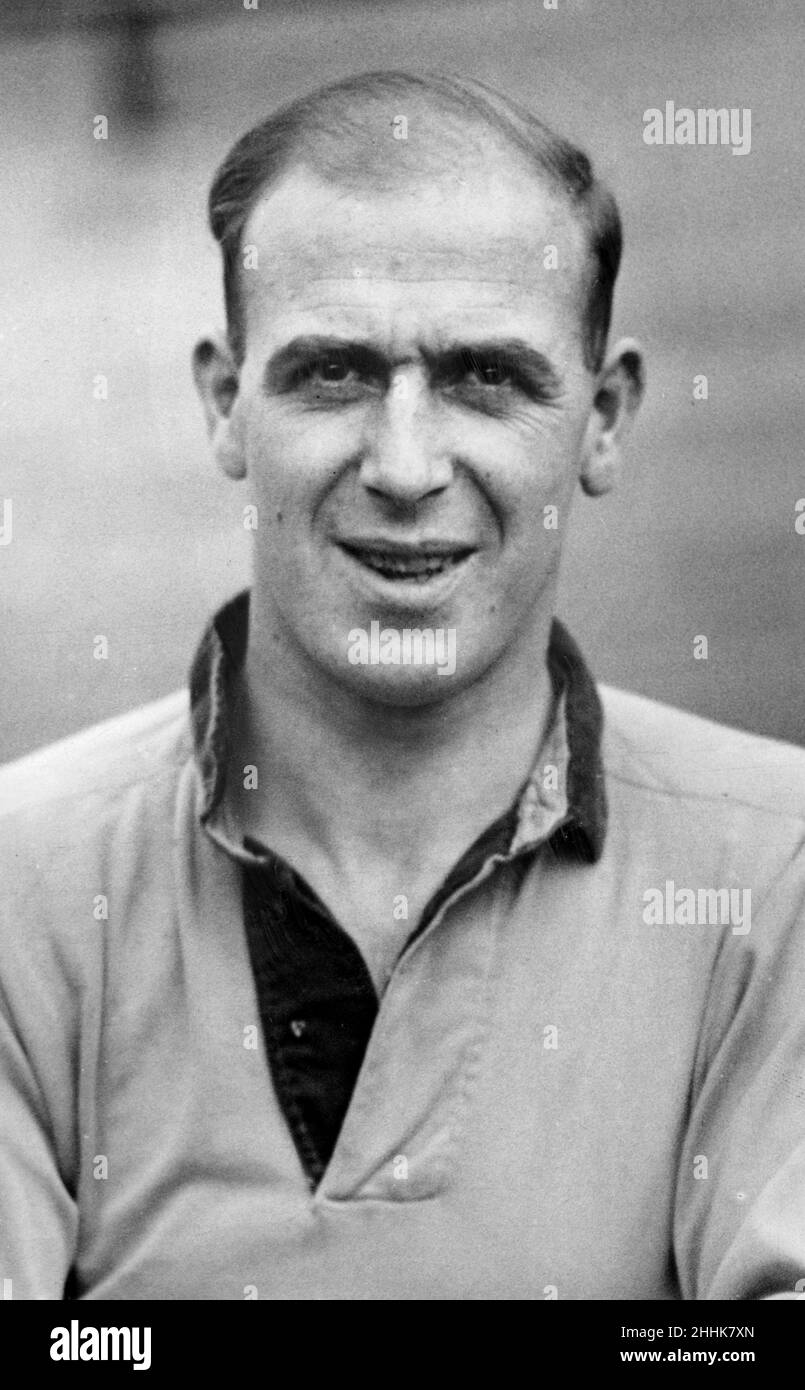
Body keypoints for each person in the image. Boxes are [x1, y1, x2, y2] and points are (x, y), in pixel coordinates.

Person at [1, 70, 803, 1302]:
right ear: (225, 404)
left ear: (603, 417)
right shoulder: (25, 885)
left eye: (486, 378)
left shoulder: (775, 872)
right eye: (334, 373)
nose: (405, 465)